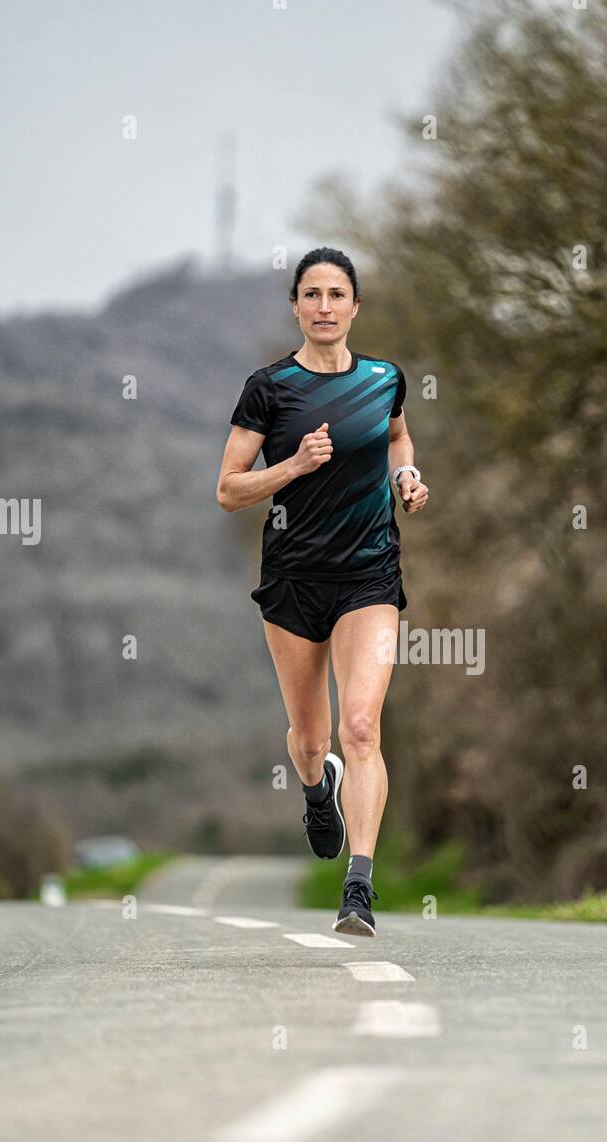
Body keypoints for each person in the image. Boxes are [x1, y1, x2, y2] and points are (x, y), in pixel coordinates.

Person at [217, 247, 428, 936]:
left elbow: (398, 440)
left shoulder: (384, 379)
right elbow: (228, 489)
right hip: (292, 580)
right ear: (297, 306)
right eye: (312, 294)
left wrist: (406, 478)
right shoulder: (269, 388)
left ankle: (358, 888)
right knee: (311, 738)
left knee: (360, 725)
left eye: (337, 293)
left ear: (356, 306)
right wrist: (294, 464)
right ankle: (316, 788)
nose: (325, 305)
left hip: (368, 575)